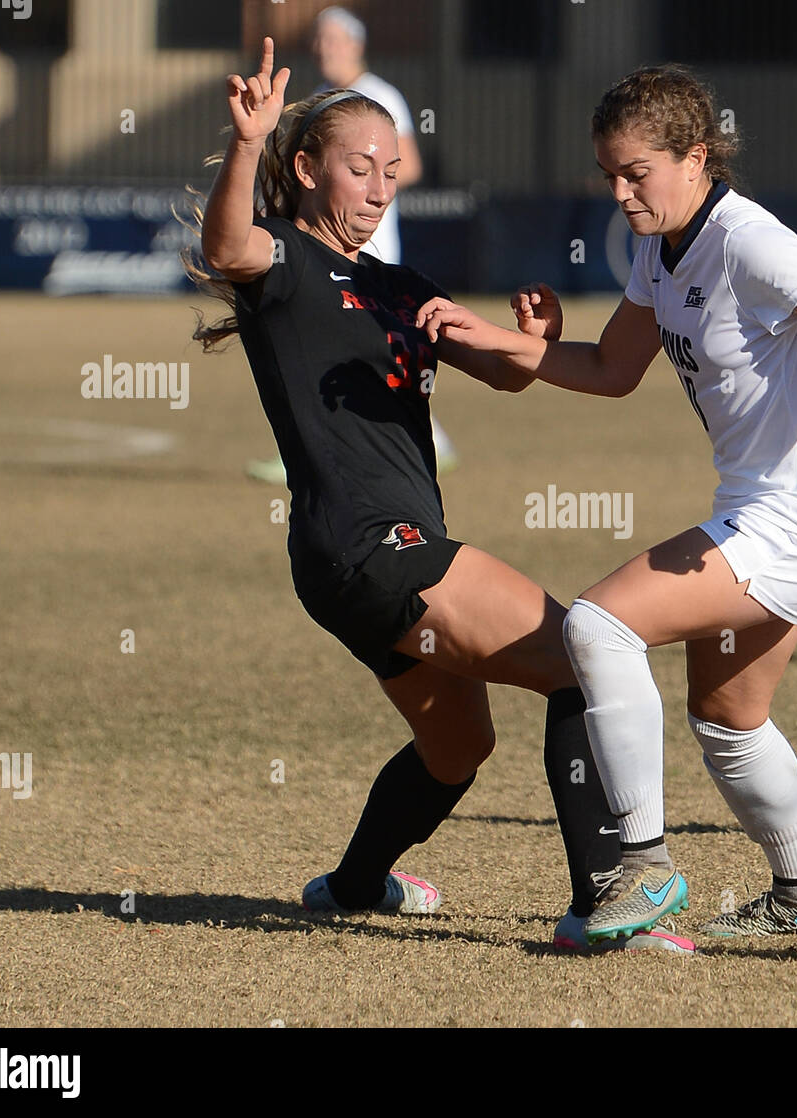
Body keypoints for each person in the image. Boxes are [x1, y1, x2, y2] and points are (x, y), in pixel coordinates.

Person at [181, 39, 691, 953]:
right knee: (586, 657)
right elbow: (225, 247)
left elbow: (505, 379)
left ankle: (351, 887)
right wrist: (246, 141)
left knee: (458, 749)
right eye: (358, 167)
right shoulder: (287, 265)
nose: (379, 187)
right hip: (376, 544)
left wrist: (533, 337)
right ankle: (606, 904)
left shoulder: (398, 285)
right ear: (305, 168)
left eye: (392, 171)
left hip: (343, 564)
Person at [416, 65, 797, 944]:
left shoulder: (749, 240)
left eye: (637, 172)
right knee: (729, 719)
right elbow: (609, 370)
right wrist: (519, 346)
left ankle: (645, 868)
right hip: (766, 509)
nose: (621, 191)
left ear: (696, 157)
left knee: (598, 626)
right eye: (608, 174)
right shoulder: (657, 246)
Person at [245, 7, 457, 484]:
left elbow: (412, 165)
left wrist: (365, 181)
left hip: (372, 249)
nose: (325, 48)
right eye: (319, 40)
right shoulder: (323, 100)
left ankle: (400, 438)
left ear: (358, 45)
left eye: (335, 40)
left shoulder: (381, 96)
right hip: (323, 247)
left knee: (370, 348)